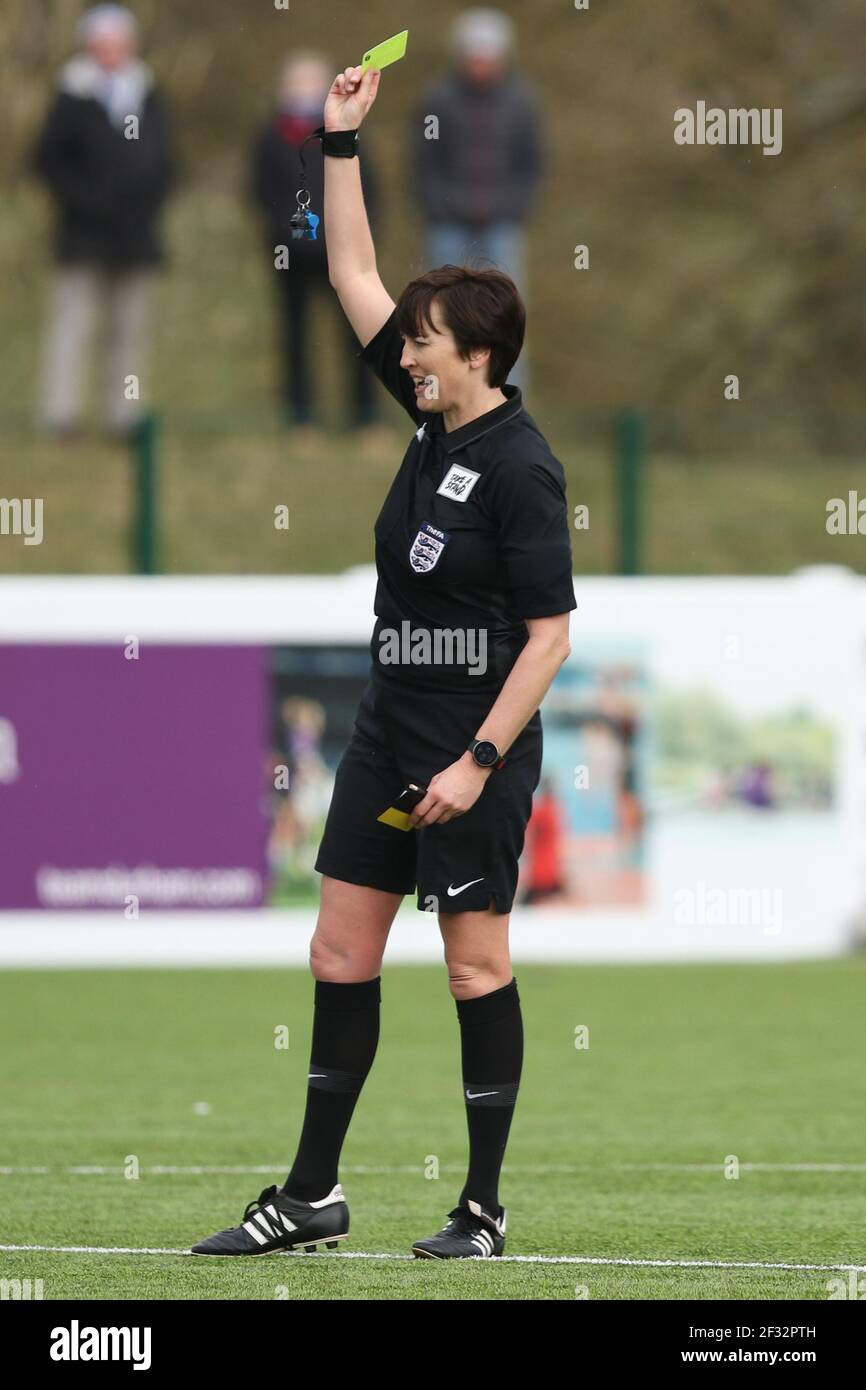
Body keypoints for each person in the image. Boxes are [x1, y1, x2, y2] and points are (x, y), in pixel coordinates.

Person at [191, 60, 575, 1263]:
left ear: (479, 355)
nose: (406, 351)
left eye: (426, 341)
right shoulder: (427, 418)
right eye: (408, 341)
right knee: (337, 948)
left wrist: (475, 759)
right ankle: (310, 1195)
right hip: (385, 731)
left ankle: (481, 1208)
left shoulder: (521, 466)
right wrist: (336, 140)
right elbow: (351, 269)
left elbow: (551, 635)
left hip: (472, 746)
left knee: (473, 968)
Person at [30, 4, 174, 439]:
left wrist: (145, 203)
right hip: (83, 234)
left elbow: (165, 161)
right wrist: (86, 202)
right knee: (73, 323)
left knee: (129, 329)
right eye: (102, 43)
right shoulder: (71, 94)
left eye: (118, 43)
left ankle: (122, 416)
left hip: (135, 234)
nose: (110, 51)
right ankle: (62, 414)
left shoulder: (147, 92)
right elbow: (48, 161)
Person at [250, 51, 385, 445]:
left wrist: (358, 236)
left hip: (342, 253)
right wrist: (289, 231)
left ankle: (365, 418)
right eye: (297, 84)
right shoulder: (271, 135)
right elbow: (261, 192)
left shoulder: (345, 129)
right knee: (296, 335)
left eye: (311, 83)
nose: (303, 92)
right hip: (292, 254)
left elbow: (369, 189)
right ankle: (301, 418)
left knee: (358, 334)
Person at [409, 8, 544, 393]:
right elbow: (422, 164)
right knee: (442, 316)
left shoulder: (521, 102)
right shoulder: (437, 99)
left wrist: (513, 208)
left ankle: (503, 399)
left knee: (506, 316)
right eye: (474, 55)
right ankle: (445, 394)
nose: (481, 64)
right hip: (448, 227)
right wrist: (440, 208)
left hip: (502, 226)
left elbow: (532, 163)